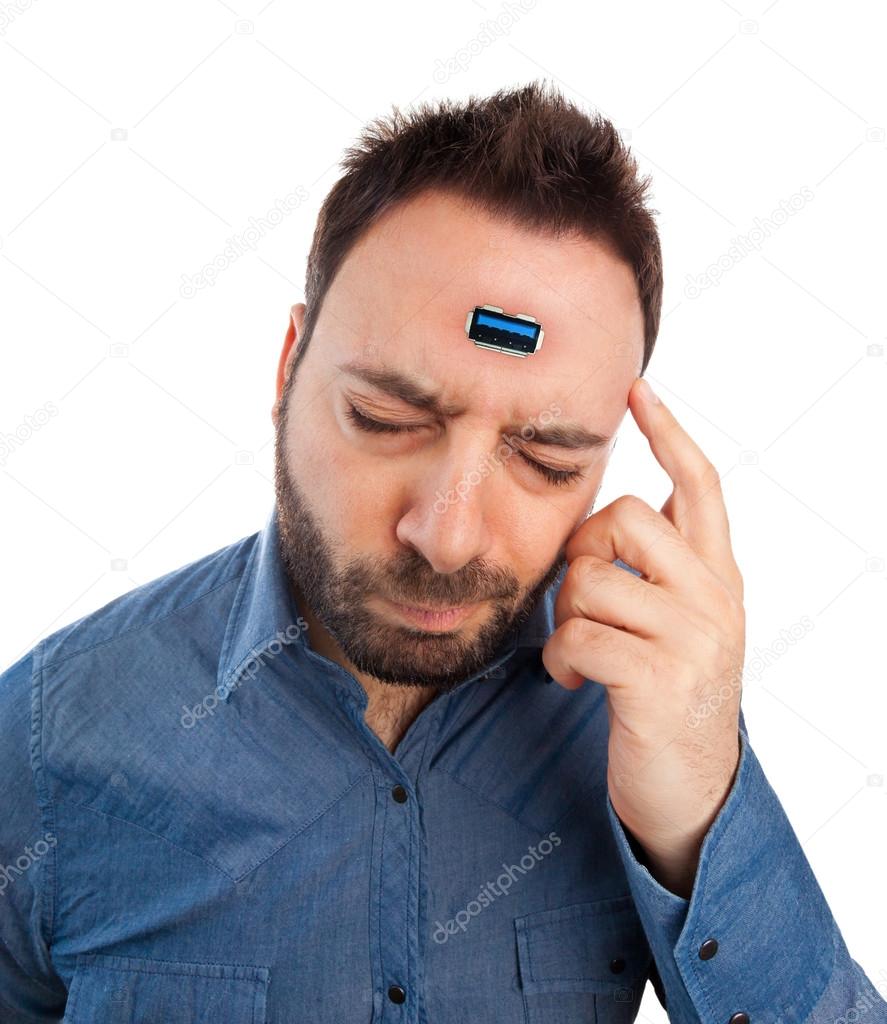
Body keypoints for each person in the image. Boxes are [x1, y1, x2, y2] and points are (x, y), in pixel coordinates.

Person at [1, 80, 883, 1023]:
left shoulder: (645, 709)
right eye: (385, 419)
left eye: (545, 461)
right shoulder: (50, 733)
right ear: (288, 366)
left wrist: (700, 812)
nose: (448, 534)